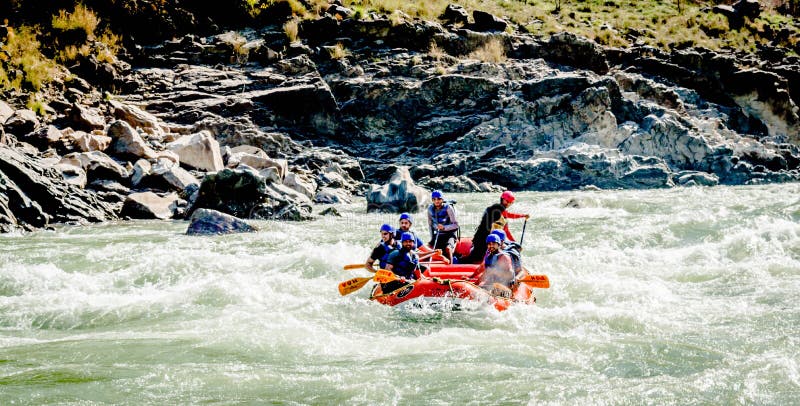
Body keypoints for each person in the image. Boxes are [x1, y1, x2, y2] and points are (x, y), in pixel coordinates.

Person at [459, 190, 529, 264]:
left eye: (510, 202)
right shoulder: (496, 208)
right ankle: (459, 261)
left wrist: (515, 243)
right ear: (502, 199)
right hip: (482, 238)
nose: (508, 203)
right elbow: (509, 215)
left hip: (493, 239)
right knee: (475, 257)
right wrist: (523, 216)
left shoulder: (504, 217)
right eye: (506, 201)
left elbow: (506, 232)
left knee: (480, 257)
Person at [426, 190, 459, 263]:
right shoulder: (430, 209)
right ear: (432, 200)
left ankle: (451, 266)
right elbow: (430, 225)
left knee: (448, 249)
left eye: (439, 199)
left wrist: (444, 227)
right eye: (434, 199)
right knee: (427, 248)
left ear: (442, 200)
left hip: (450, 234)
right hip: (438, 234)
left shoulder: (448, 208)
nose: (436, 201)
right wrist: (432, 239)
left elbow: (456, 225)